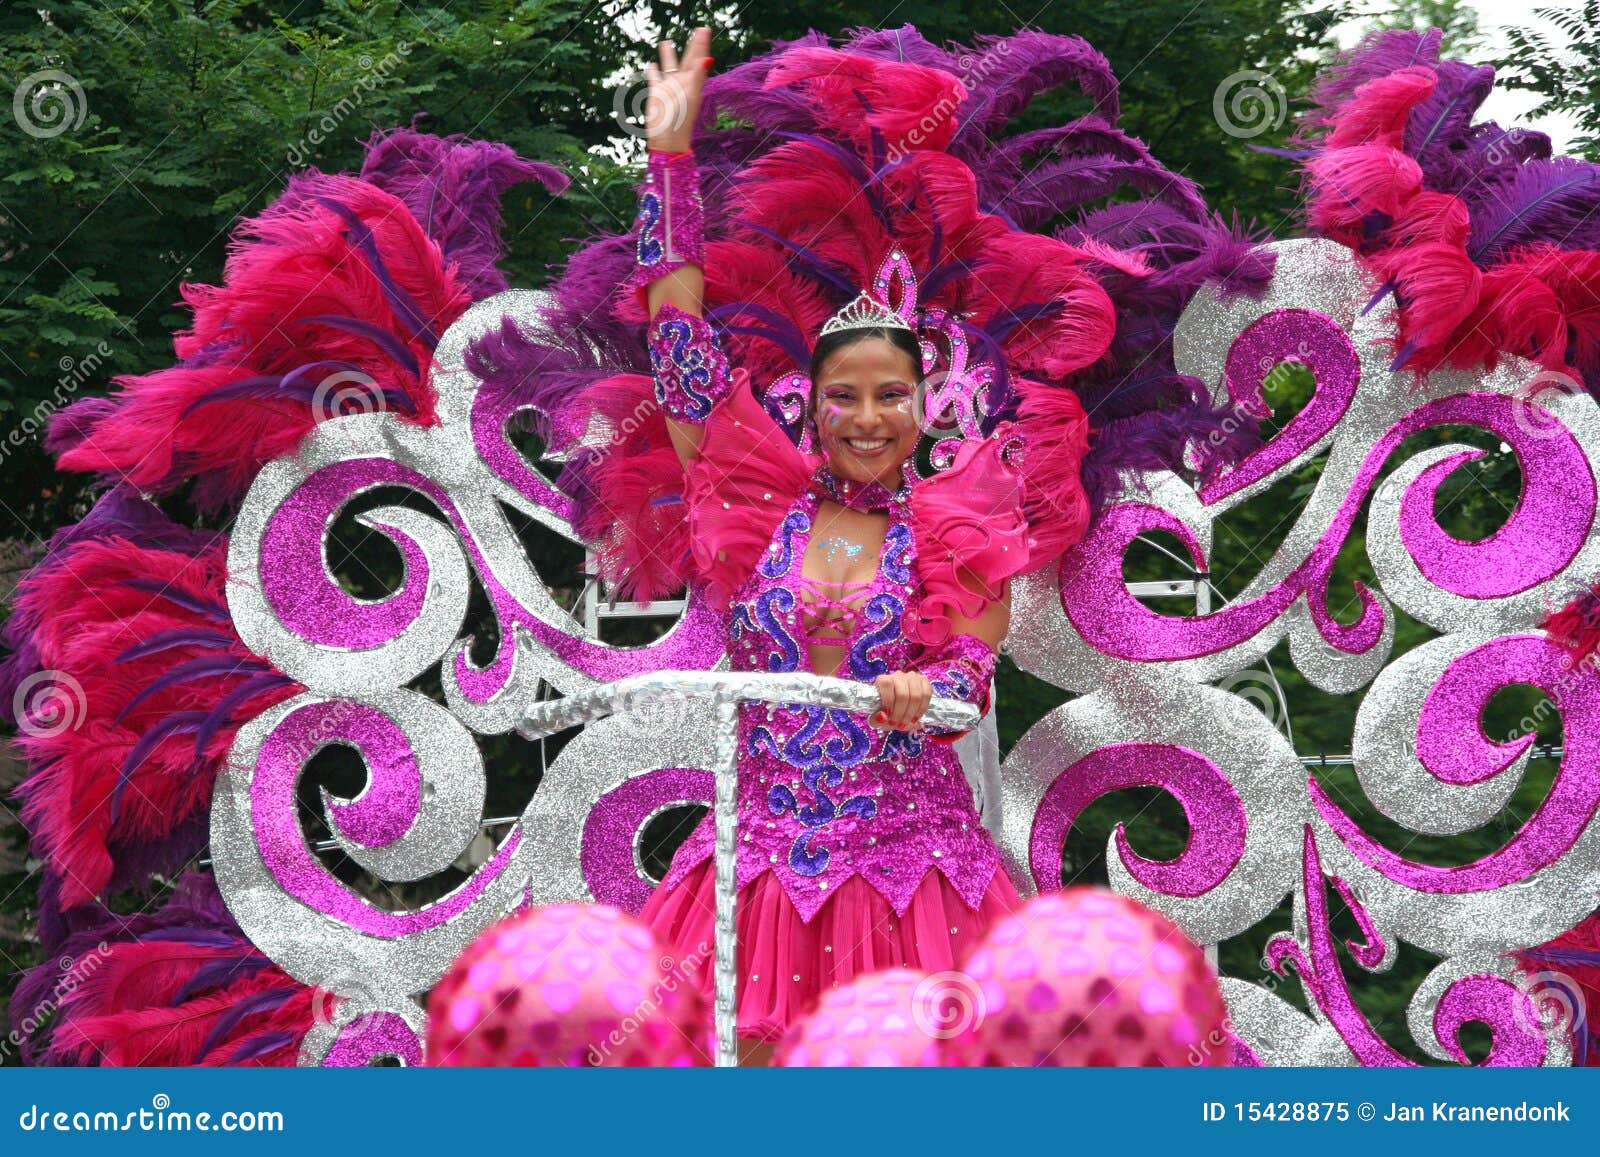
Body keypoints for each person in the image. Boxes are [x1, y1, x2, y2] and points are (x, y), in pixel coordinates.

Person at [622, 27, 1063, 1066]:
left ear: (921, 407)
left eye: (890, 396)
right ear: (812, 407)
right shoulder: (751, 505)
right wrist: (668, 160)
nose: (869, 418)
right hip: (753, 878)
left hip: (915, 883)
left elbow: (967, 671)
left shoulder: (961, 527)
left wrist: (927, 693)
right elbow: (674, 329)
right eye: (846, 397)